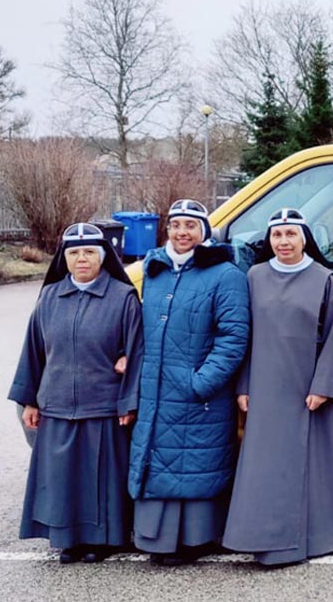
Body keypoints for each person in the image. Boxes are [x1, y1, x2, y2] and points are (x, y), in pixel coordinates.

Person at [223, 208, 333, 566]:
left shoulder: (322, 278)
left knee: (313, 464)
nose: (283, 242)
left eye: (290, 234)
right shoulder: (254, 276)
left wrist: (323, 386)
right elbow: (246, 336)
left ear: (304, 239)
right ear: (269, 241)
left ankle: (319, 538)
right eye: (277, 235)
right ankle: (264, 537)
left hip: (308, 388)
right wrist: (244, 384)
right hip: (266, 386)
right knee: (266, 466)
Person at [9, 223, 143, 564]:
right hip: (56, 404)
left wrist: (129, 401)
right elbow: (34, 352)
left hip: (103, 406)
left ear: (102, 257)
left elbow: (138, 352)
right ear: (63, 259)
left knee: (98, 480)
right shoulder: (50, 297)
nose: (81, 259)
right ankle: (67, 539)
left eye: (88, 253)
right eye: (73, 253)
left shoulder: (123, 297)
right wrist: (29, 400)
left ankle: (102, 540)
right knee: (62, 479)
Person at [128, 199, 250, 566]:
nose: (182, 233)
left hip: (200, 393)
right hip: (156, 390)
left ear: (204, 232)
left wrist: (202, 382)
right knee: (157, 461)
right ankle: (158, 539)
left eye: (191, 226)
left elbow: (234, 336)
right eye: (176, 225)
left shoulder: (225, 275)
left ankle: (194, 540)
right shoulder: (155, 269)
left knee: (196, 464)